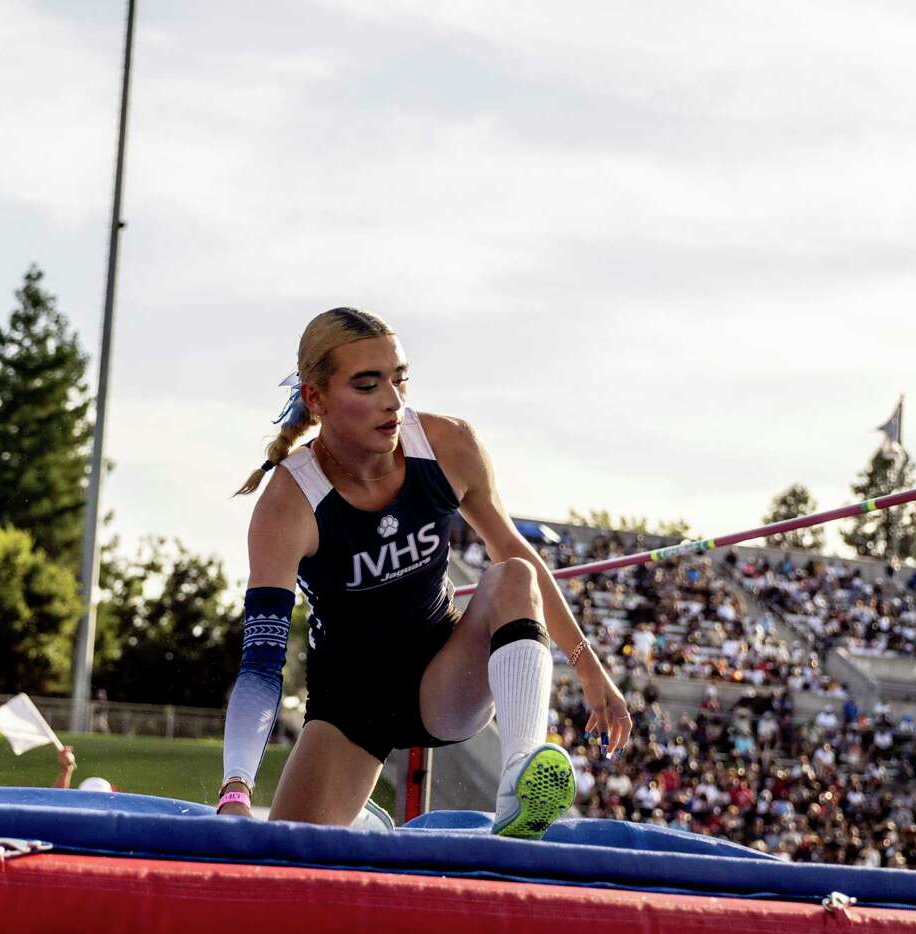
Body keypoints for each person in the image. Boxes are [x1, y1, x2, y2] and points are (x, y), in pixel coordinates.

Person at [216, 307, 631, 838]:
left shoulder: (448, 445)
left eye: (399, 378)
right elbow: (261, 663)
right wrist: (236, 789)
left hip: (444, 678)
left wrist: (590, 669)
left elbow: (515, 554)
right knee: (289, 855)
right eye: (367, 385)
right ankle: (363, 825)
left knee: (512, 575)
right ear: (316, 398)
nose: (392, 400)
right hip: (350, 706)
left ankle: (519, 782)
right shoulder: (288, 504)